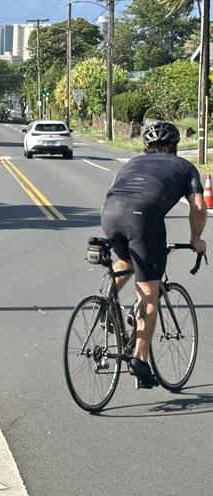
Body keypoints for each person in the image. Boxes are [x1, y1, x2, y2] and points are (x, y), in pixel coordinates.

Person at [100, 121, 207, 388]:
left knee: (126, 260)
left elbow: (115, 190)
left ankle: (106, 303)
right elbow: (198, 206)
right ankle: (139, 359)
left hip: (109, 214)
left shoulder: (129, 164)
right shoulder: (185, 167)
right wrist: (196, 240)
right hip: (143, 219)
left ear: (146, 147)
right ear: (175, 148)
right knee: (149, 292)